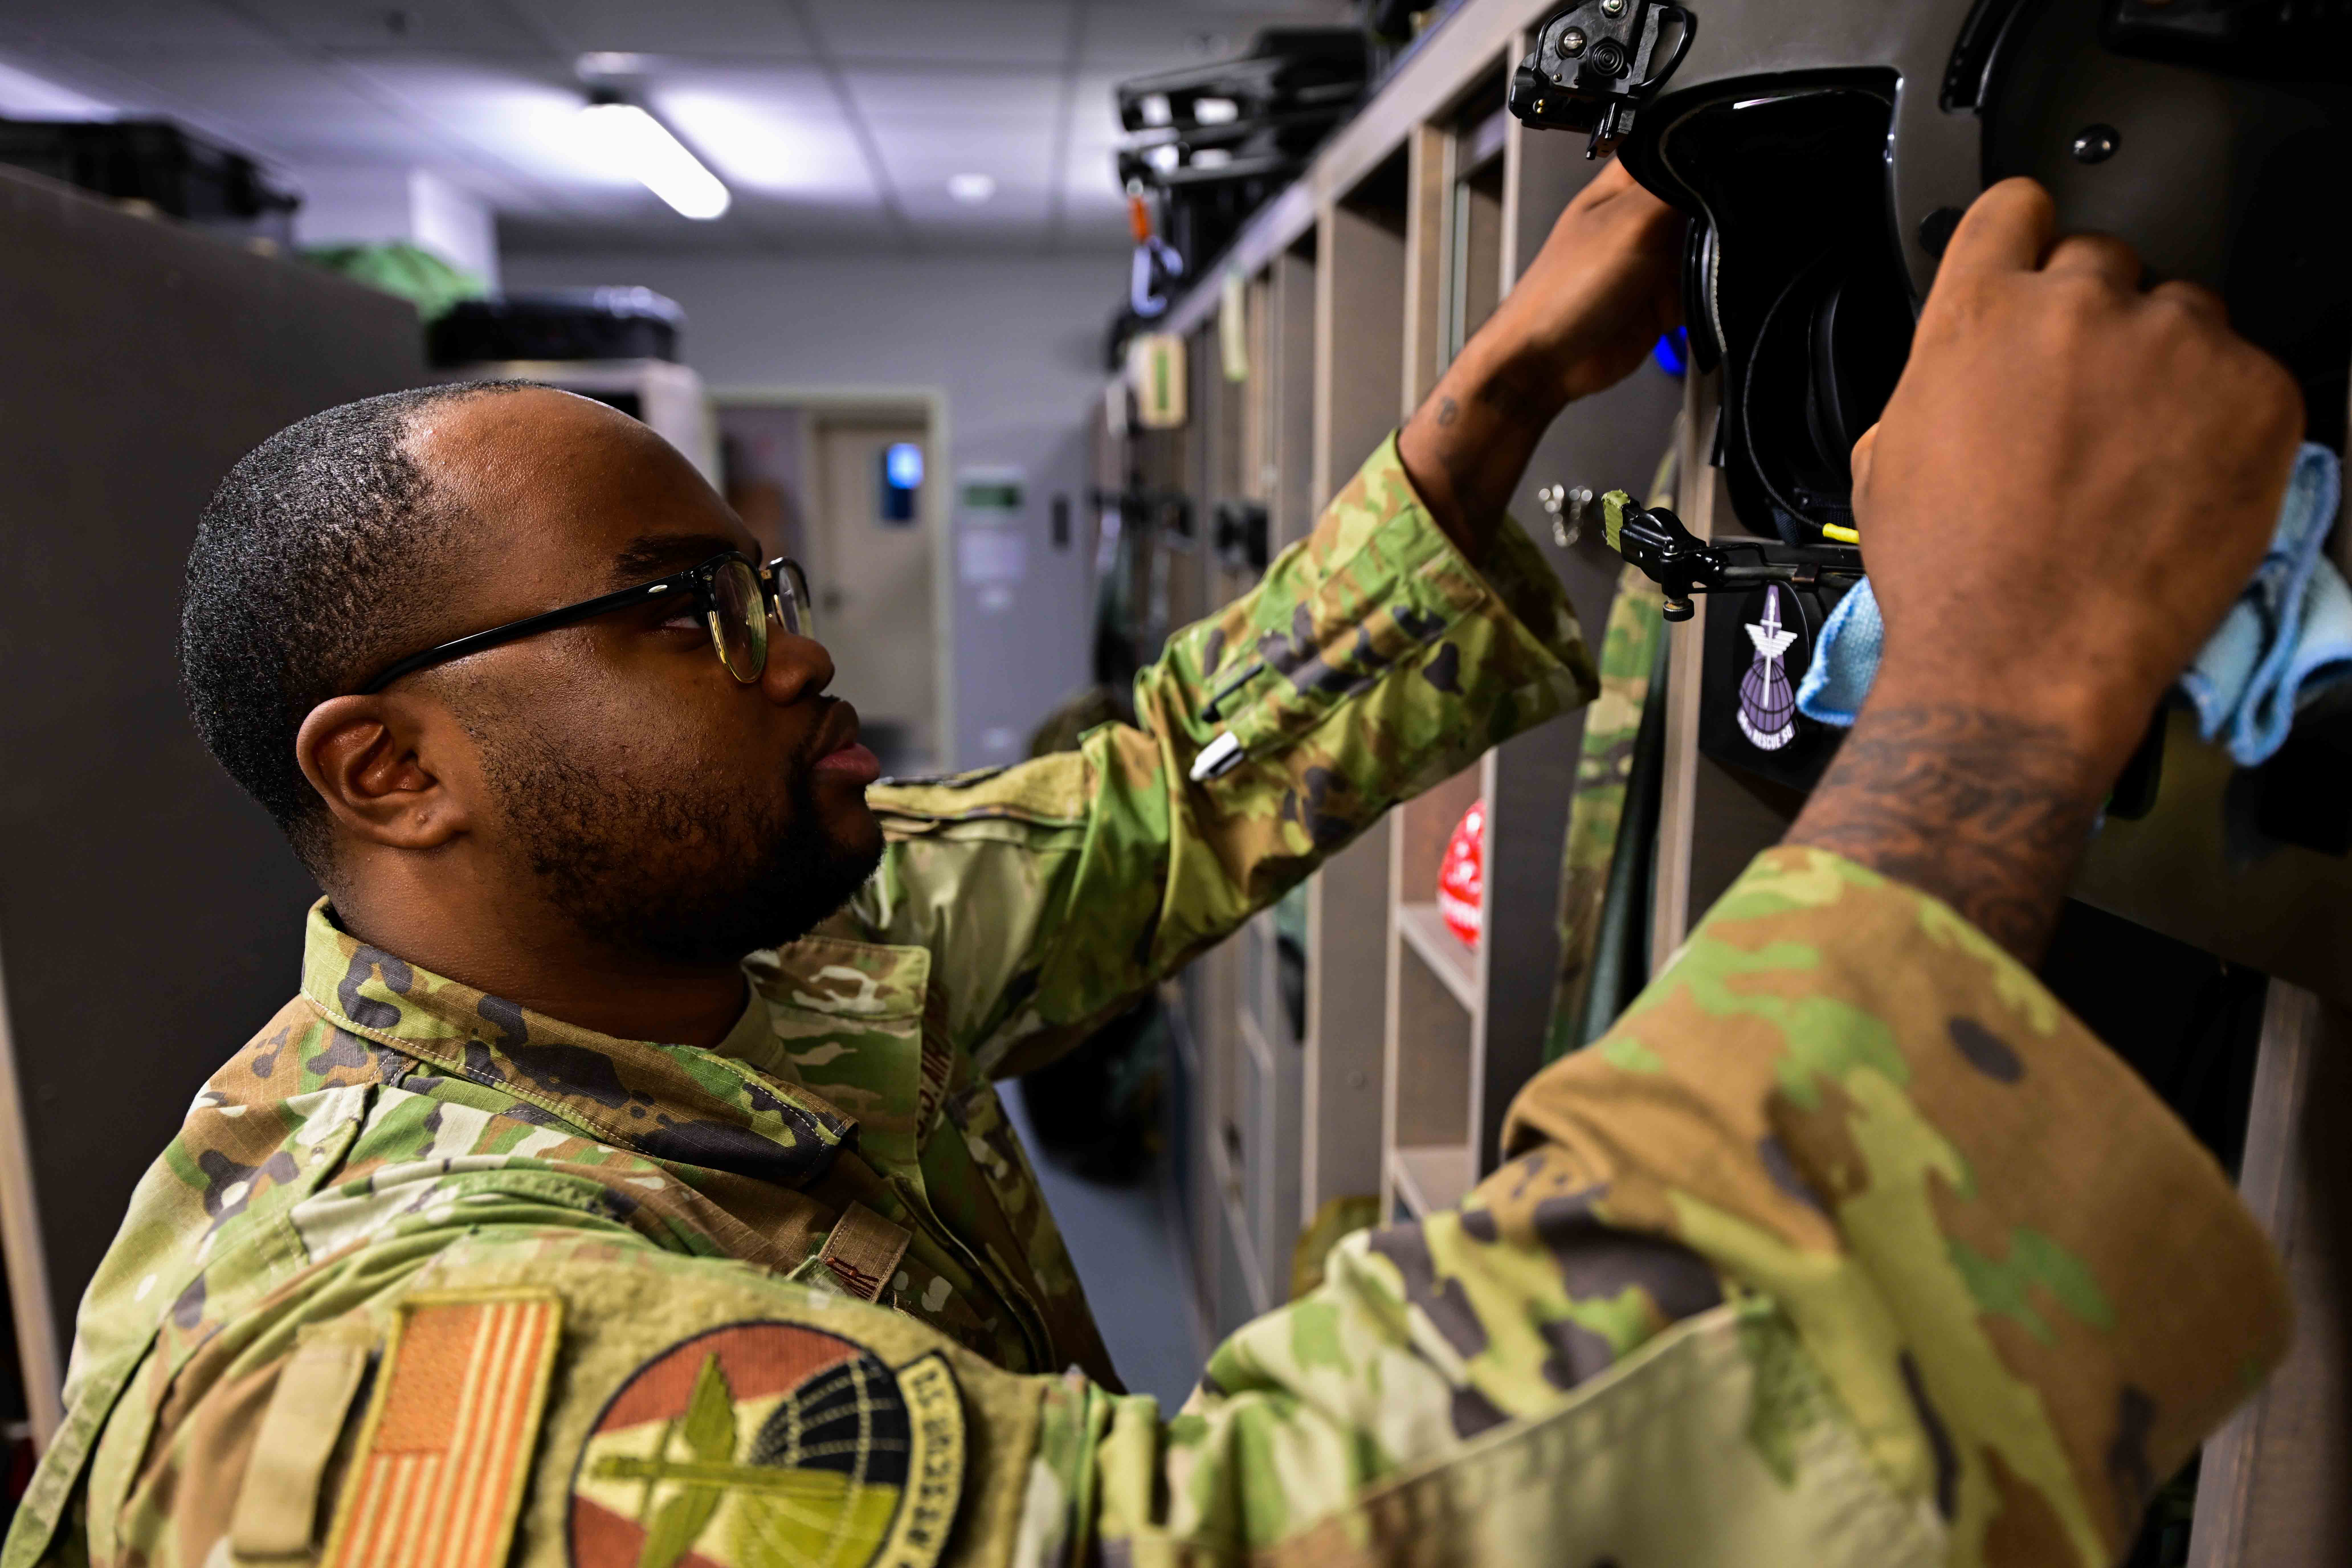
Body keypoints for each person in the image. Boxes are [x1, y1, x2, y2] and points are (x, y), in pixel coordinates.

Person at [1, 166, 2301, 1568]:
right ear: (392, 768)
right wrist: (1993, 700)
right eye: (687, 611)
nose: (802, 655)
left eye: (769, 585)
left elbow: (1155, 805)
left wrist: (1489, 410)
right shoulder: (405, 1381)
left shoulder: (703, 974)